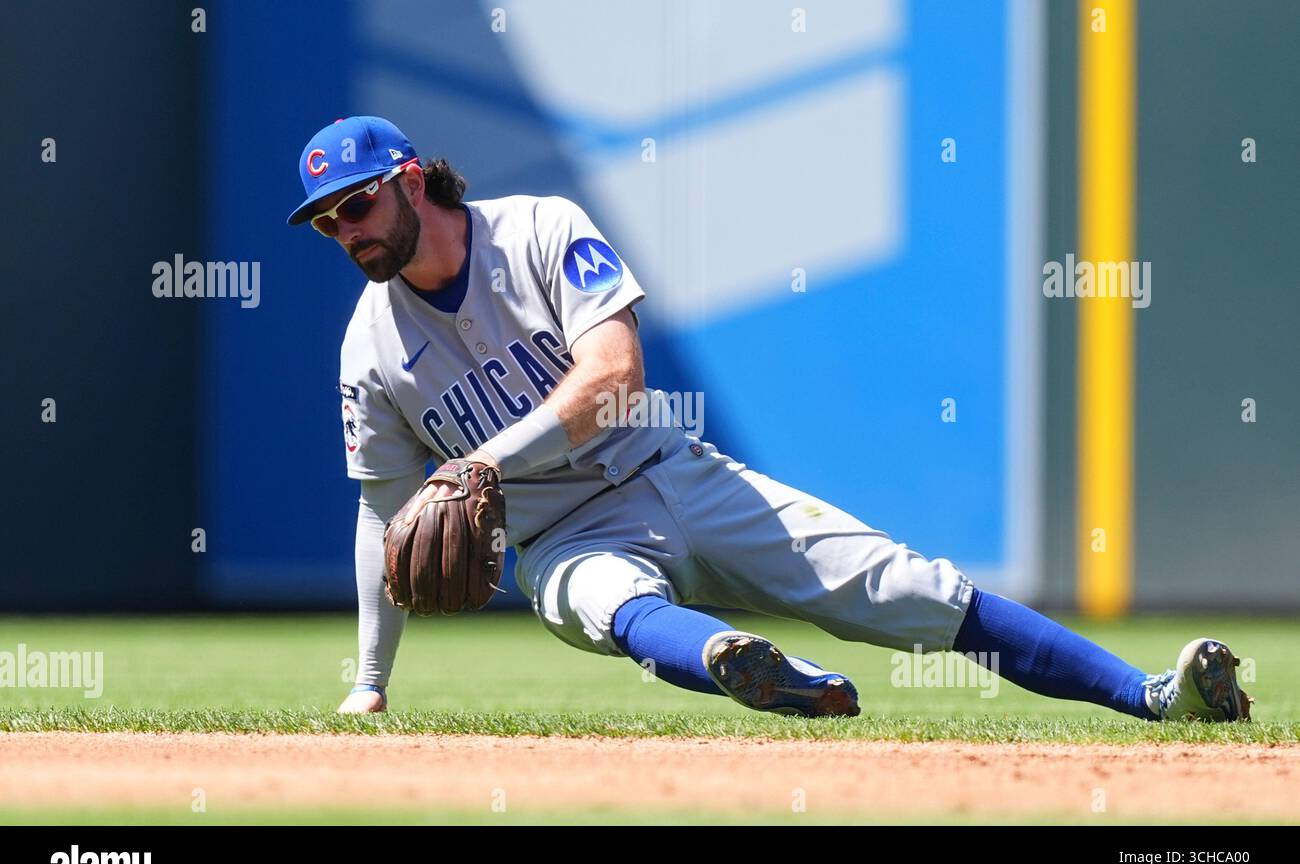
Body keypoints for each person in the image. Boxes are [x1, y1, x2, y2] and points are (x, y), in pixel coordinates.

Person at [287, 116, 1252, 723]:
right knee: (602, 602)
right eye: (327, 220)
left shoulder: (538, 229)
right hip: (561, 538)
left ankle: (1156, 696)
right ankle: (743, 664)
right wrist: (371, 678)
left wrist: (481, 465)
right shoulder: (369, 348)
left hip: (675, 474)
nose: (348, 229)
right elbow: (383, 514)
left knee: (907, 587)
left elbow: (614, 375)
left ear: (412, 178)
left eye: (357, 202)